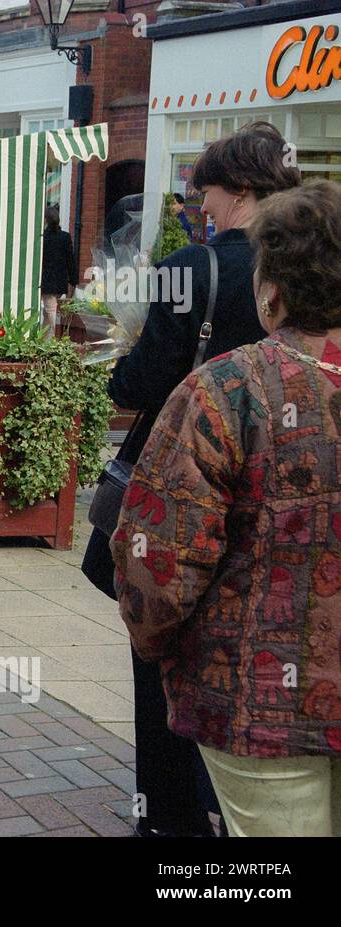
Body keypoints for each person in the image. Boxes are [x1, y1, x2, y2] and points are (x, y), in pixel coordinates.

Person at [83, 121, 302, 837]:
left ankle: (170, 816)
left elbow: (142, 380)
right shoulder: (303, 268)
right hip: (281, 484)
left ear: (237, 190)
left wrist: (122, 353)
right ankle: (240, 799)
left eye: (206, 190)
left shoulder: (195, 266)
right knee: (257, 643)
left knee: (163, 647)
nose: (200, 203)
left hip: (193, 481)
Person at [111, 180, 341, 837]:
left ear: (272, 290)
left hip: (257, 702)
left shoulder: (228, 390)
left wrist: (160, 648)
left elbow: (155, 560)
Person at [40, 205, 74, 331]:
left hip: (47, 279)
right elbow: (70, 259)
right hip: (60, 280)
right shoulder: (65, 237)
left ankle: (48, 341)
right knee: (50, 310)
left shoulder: (43, 237)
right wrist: (73, 279)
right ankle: (46, 340)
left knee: (49, 311)